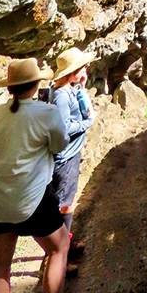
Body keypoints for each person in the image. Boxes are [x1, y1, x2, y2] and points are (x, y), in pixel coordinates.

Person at [0, 58, 72, 293]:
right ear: (36, 84)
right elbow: (60, 143)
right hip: (34, 198)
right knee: (58, 248)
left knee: (0, 266)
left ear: (11, 88)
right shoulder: (46, 113)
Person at [51, 49, 96, 239]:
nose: (85, 68)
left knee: (69, 199)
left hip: (71, 154)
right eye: (82, 66)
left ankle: (63, 244)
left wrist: (82, 88)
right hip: (66, 157)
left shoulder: (71, 89)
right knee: (64, 204)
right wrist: (87, 124)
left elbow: (84, 110)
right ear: (73, 70)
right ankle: (59, 251)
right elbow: (63, 127)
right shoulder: (61, 95)